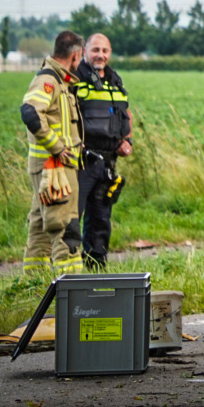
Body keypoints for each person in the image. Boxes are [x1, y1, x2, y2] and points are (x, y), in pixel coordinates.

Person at [21, 31, 85, 274]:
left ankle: (33, 286)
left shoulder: (60, 80)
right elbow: (30, 112)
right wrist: (57, 148)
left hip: (47, 169)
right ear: (75, 55)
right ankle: (73, 295)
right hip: (55, 170)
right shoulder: (49, 80)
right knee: (65, 227)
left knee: (39, 226)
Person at [70, 32, 133, 269]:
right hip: (82, 162)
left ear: (110, 53)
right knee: (72, 218)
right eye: (95, 50)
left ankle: (96, 268)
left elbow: (125, 114)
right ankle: (68, 271)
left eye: (105, 51)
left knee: (101, 220)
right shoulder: (76, 78)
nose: (100, 55)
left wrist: (127, 141)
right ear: (85, 51)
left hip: (107, 164)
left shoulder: (115, 80)